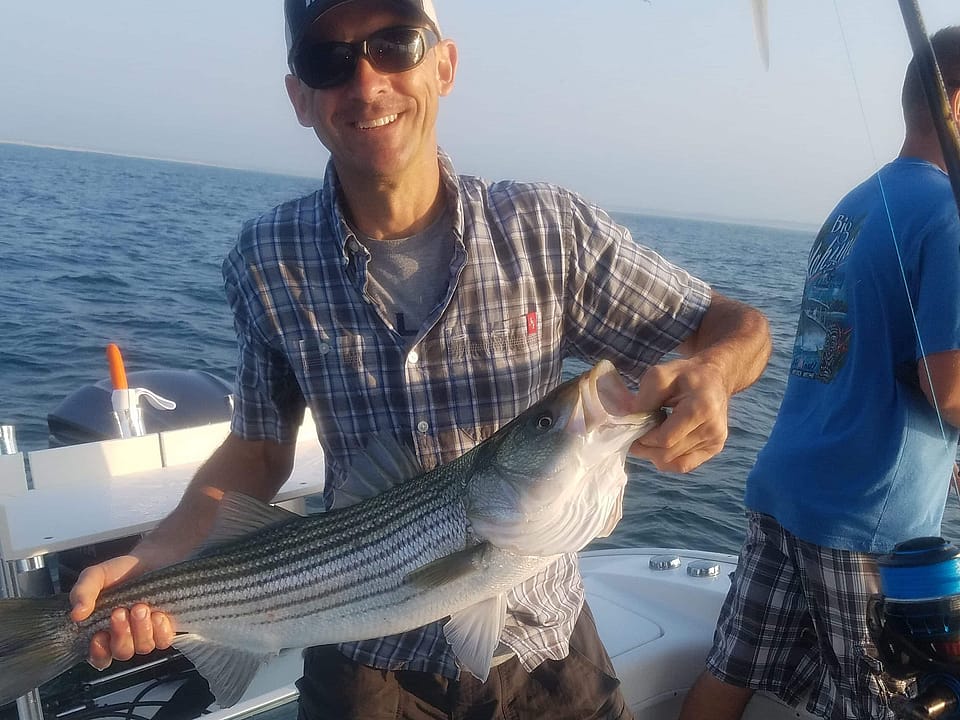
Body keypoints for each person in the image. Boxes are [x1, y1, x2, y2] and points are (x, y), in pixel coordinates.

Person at [69, 1, 771, 718]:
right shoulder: (267, 258)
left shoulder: (547, 229)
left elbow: (734, 324)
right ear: (300, 97)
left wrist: (713, 374)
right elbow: (256, 450)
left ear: (444, 64)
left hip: (542, 645)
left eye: (395, 45)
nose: (367, 82)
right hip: (368, 667)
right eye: (329, 60)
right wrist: (156, 560)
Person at [679, 25, 960, 720]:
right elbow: (948, 387)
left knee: (731, 669)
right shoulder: (952, 212)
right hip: (868, 519)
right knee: (886, 706)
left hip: (784, 488)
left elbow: (863, 357)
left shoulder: (853, 207)